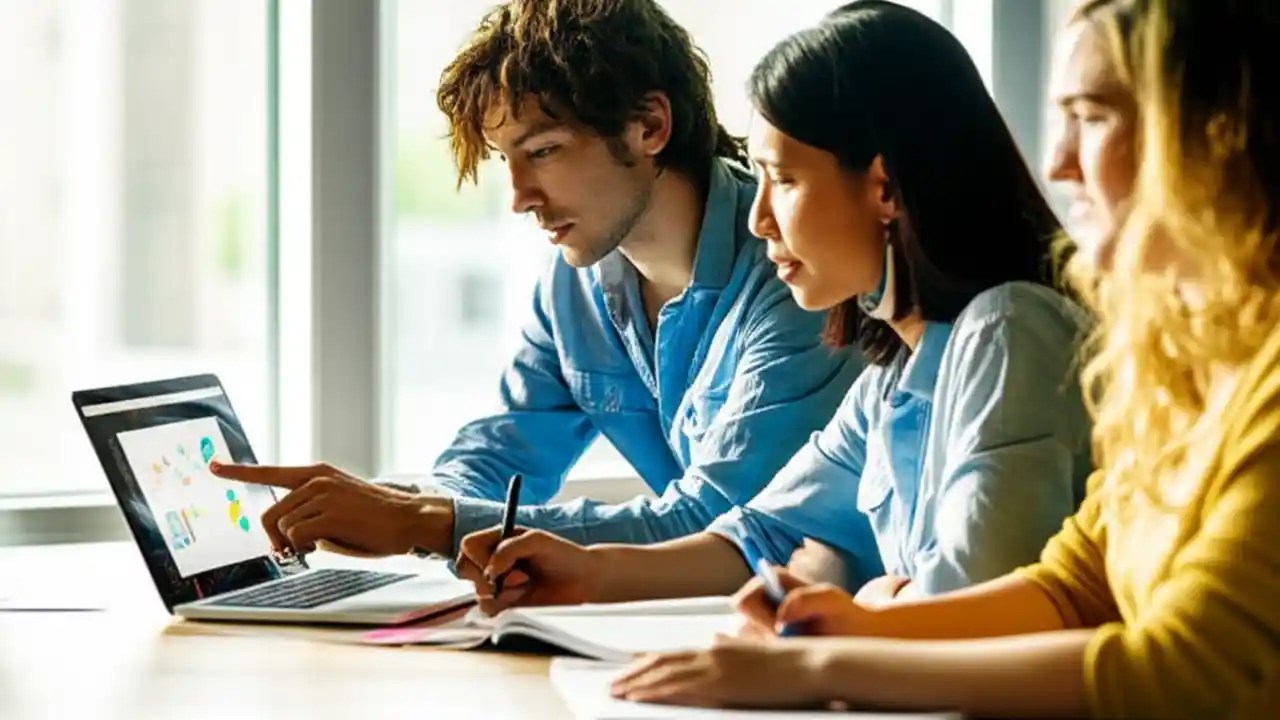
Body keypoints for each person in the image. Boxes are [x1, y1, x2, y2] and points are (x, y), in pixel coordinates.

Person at [609, 1, 1280, 717]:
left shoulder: (1026, 330)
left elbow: (1181, 672)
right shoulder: (1184, 372)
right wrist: (864, 625)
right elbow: (1075, 583)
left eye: (1094, 116)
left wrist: (828, 663)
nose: (1057, 161)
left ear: (1219, 134)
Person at [455, 0, 1092, 615]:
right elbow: (757, 533)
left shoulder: (1006, 331)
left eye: (782, 180)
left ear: (885, 186)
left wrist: (871, 606)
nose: (760, 220)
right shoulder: (894, 374)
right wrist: (587, 572)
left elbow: (971, 612)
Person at [208, 0, 862, 559]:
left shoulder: (798, 283)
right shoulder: (576, 285)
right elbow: (501, 455)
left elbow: (718, 524)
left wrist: (423, 524)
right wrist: (394, 506)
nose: (519, 197)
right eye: (505, 160)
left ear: (650, 127)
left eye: (543, 151)